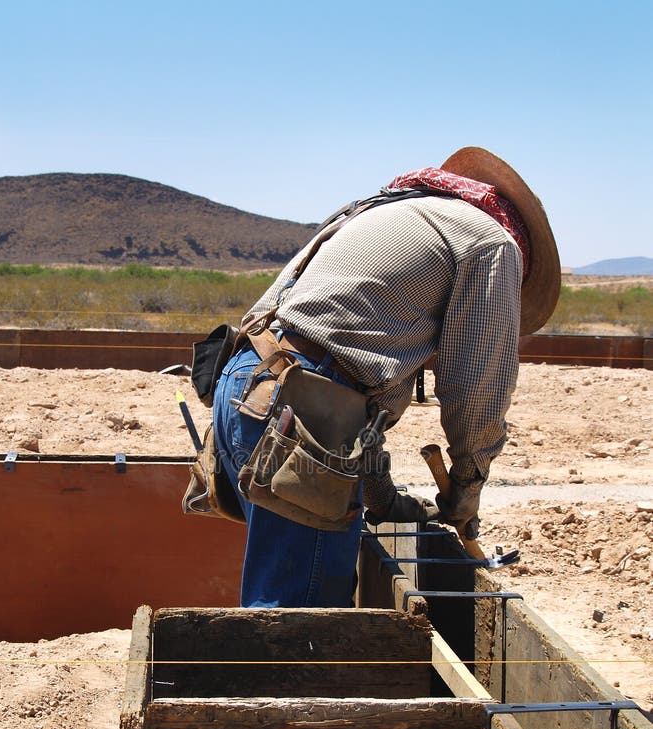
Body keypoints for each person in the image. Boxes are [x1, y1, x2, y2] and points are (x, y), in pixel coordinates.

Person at [212, 147, 560, 608]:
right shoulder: (492, 244)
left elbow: (344, 379)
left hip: (247, 384)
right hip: (302, 413)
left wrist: (379, 492)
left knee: (285, 600)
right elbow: (477, 386)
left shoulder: (379, 211)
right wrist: (467, 487)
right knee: (304, 623)